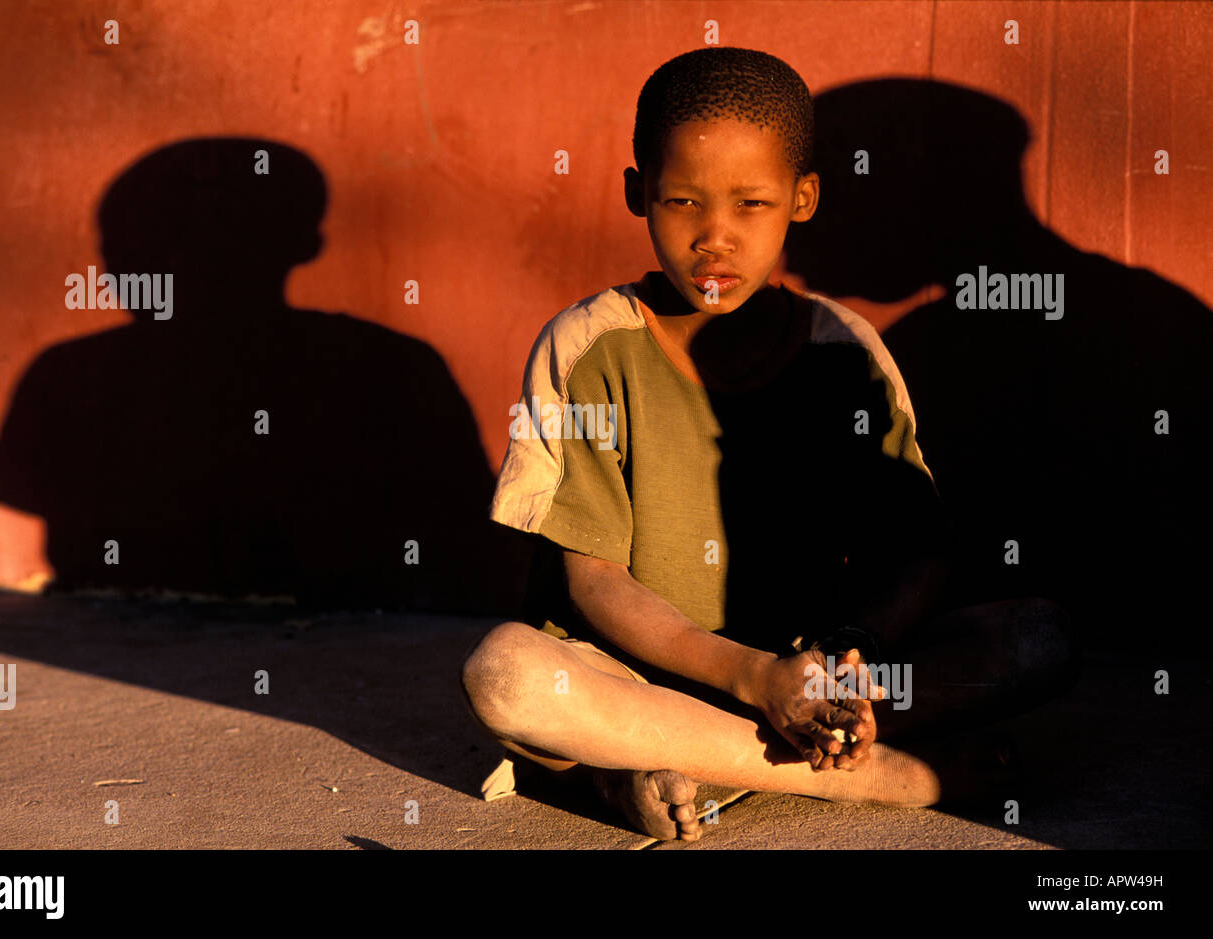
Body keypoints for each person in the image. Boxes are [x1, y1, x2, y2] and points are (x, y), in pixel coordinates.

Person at [460, 47, 1077, 842]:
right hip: (645, 678)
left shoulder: (841, 350)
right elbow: (594, 582)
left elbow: (919, 551)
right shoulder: (589, 348)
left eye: (751, 204)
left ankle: (647, 775)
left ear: (803, 198)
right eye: (682, 200)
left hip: (812, 671)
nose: (715, 238)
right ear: (636, 191)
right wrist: (751, 675)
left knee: (1038, 639)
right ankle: (886, 777)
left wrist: (853, 650)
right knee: (507, 675)